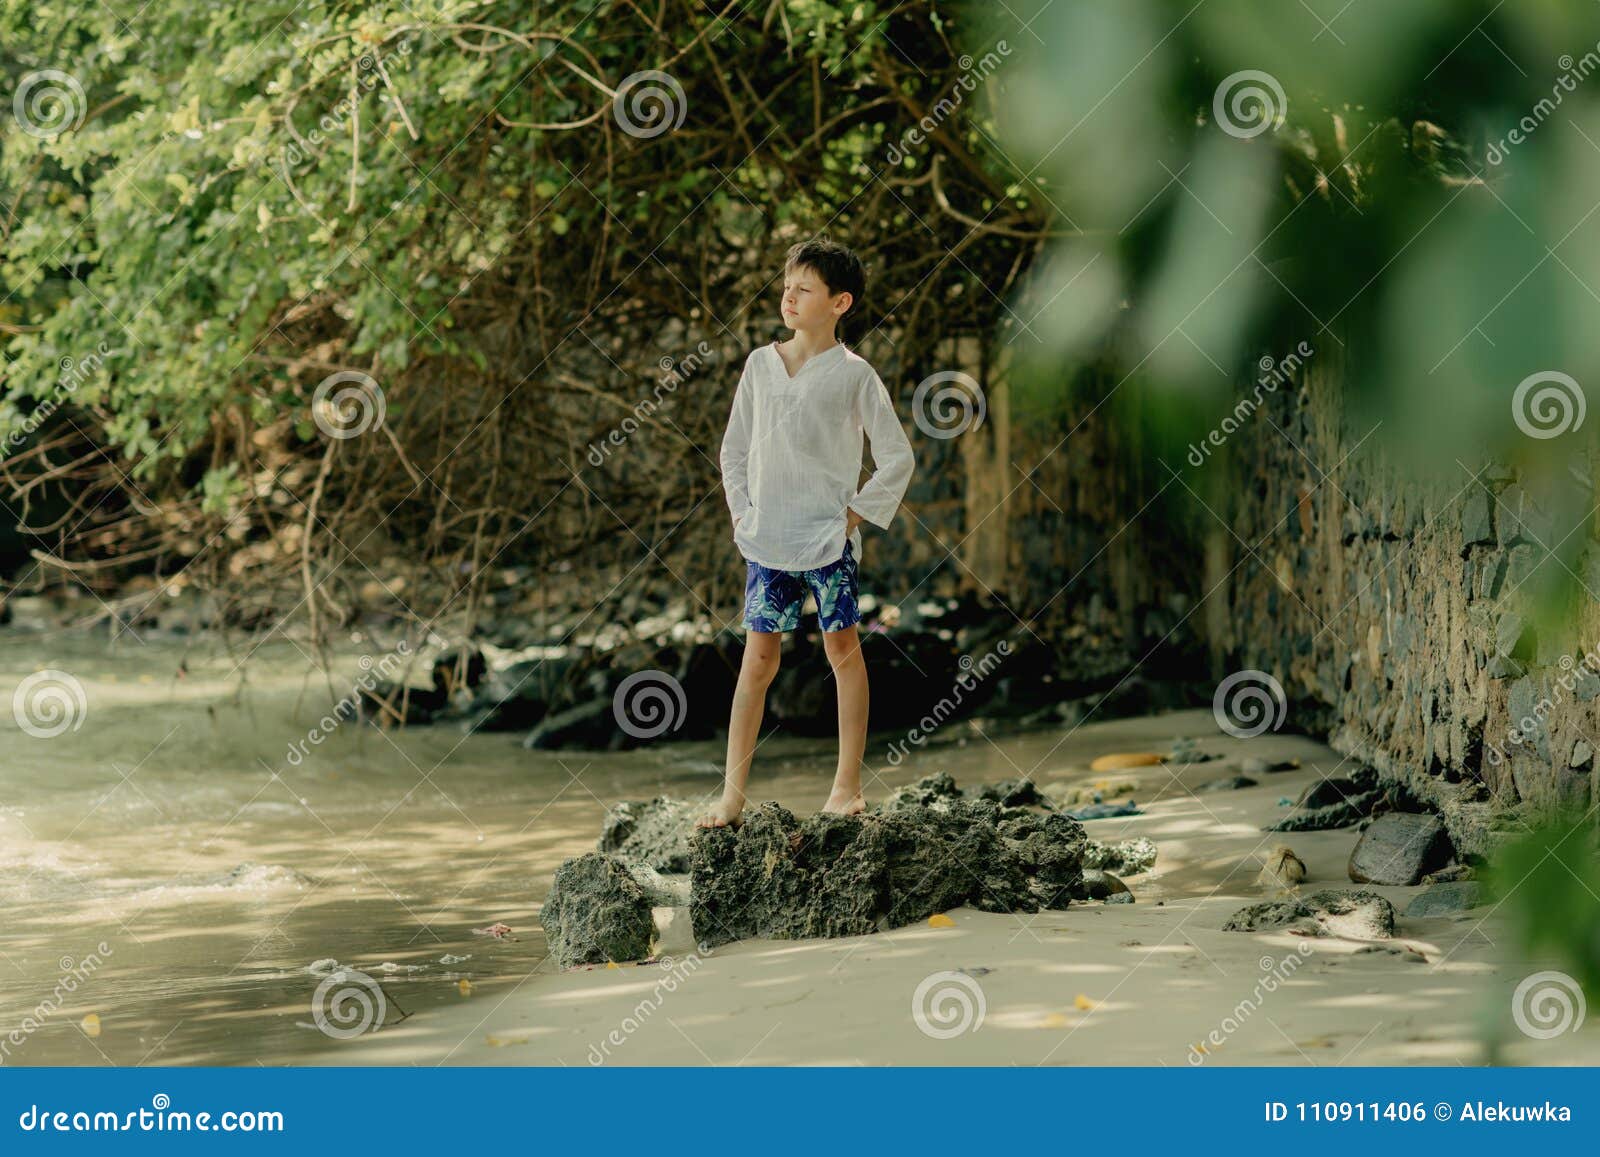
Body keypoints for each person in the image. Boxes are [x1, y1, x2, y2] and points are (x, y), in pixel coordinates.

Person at [698, 237, 915, 829]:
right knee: (757, 662)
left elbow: (897, 456)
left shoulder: (854, 376)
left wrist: (854, 516)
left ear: (840, 302)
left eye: (804, 289)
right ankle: (731, 797)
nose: (788, 297)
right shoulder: (760, 365)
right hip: (767, 541)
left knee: (842, 650)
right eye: (786, 286)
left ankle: (847, 786)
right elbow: (734, 449)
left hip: (828, 543)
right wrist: (743, 514)